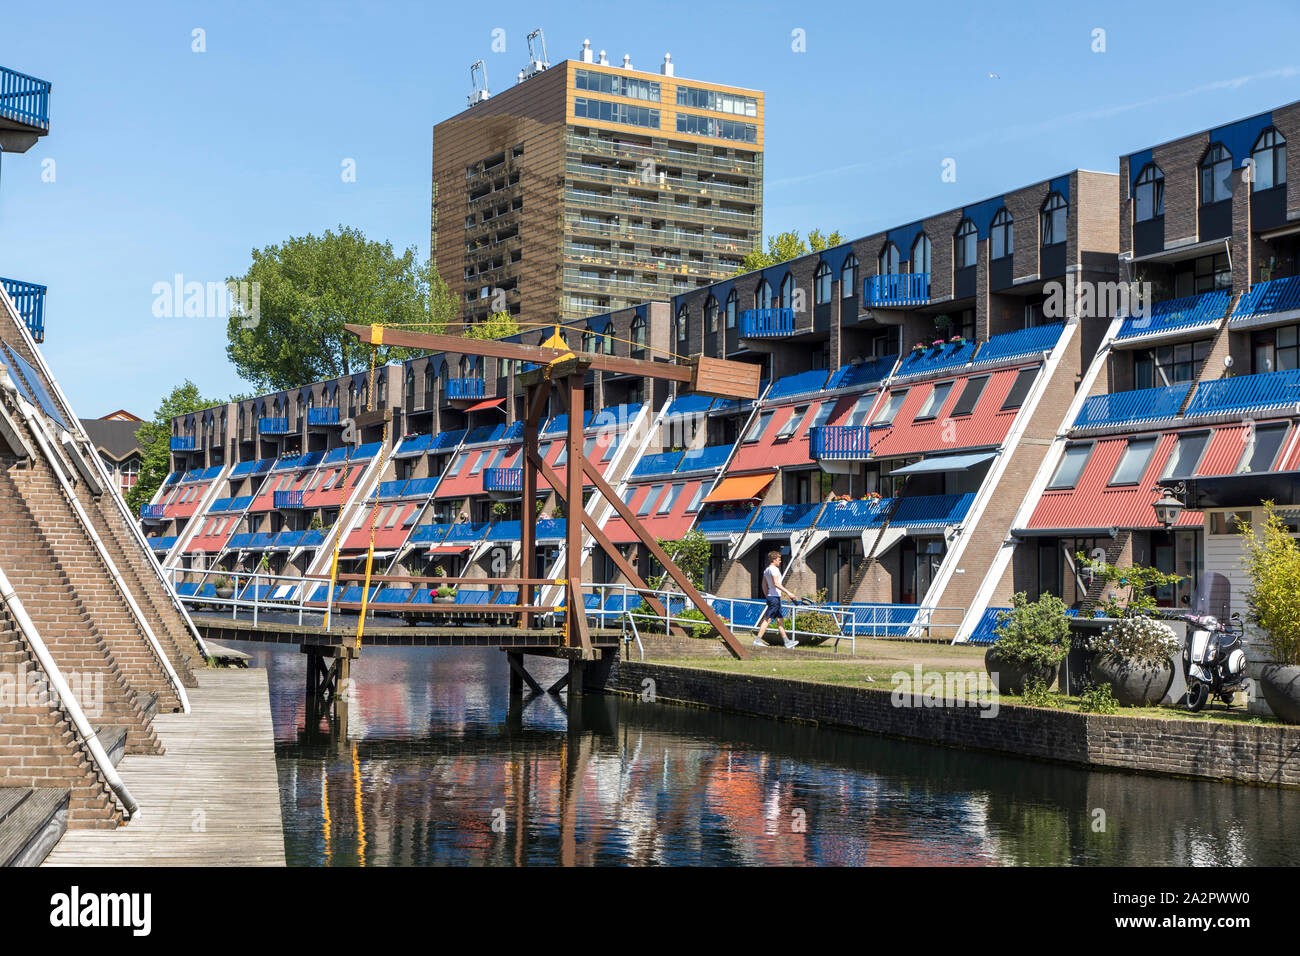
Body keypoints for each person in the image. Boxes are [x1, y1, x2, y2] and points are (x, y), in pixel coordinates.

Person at [754, 550, 800, 648]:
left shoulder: (766, 570)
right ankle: (757, 640)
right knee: (767, 619)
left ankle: (787, 642)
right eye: (779, 559)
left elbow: (763, 584)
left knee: (780, 620)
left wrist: (767, 596)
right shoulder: (774, 569)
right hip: (774, 598)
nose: (780, 561)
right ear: (774, 559)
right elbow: (776, 583)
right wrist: (789, 593)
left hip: (773, 597)